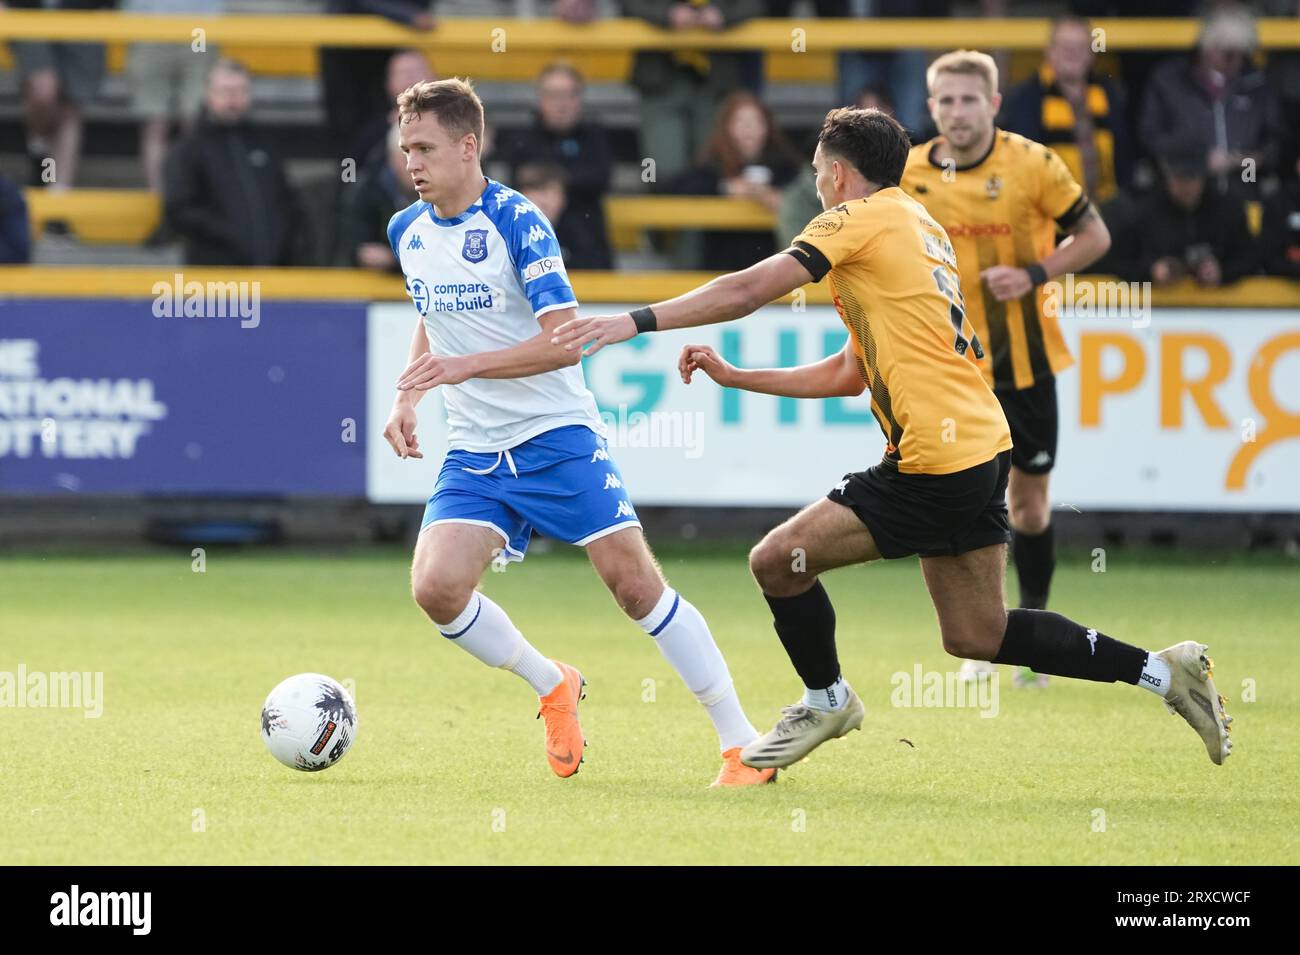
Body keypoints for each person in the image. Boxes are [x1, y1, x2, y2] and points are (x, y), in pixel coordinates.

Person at [550, 106, 1234, 771]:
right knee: (977, 632)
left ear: (841, 175)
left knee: (776, 560)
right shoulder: (916, 224)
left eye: (820, 171)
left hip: (935, 460)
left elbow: (750, 288)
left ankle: (827, 699)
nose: (817, 185)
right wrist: (738, 375)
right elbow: (851, 372)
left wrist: (635, 321)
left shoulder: (854, 219)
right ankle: (1162, 671)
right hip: (979, 447)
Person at [383, 78, 773, 787]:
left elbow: (566, 341)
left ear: (468, 147)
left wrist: (462, 365)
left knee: (633, 586)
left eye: (424, 148)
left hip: (554, 433)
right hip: (475, 447)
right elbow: (429, 313)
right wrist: (409, 392)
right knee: (436, 587)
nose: (411, 162)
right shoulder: (405, 229)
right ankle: (551, 682)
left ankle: (740, 741)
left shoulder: (517, 220)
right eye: (404, 148)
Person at [901, 50, 1112, 687]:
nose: (957, 111)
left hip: (1026, 363)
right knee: (960, 501)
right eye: (945, 100)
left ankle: (1035, 634)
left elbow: (1095, 236)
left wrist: (1034, 274)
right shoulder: (908, 172)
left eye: (969, 100)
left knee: (1030, 506)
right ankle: (986, 638)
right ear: (931, 106)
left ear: (993, 105)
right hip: (949, 369)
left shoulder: (1033, 163)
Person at [163, 59, 300, 266]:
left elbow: (284, 200)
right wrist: (230, 232)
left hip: (273, 273)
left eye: (240, 91)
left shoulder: (265, 143)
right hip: (216, 278)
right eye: (225, 91)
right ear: (208, 94)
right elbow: (179, 209)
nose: (233, 99)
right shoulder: (189, 148)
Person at [1000, 14, 1133, 203]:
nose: (1073, 54)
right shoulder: (1026, 97)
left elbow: (1124, 152)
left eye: (1080, 47)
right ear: (1050, 51)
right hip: (1052, 211)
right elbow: (1024, 166)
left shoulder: (1108, 92)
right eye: (1065, 47)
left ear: (1091, 53)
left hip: (1108, 207)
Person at [493, 63, 614, 270]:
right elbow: (517, 186)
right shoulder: (521, 140)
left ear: (580, 99)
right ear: (540, 99)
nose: (562, 104)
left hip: (588, 243)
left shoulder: (595, 137)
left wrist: (553, 178)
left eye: (569, 95)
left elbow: (601, 178)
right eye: (553, 95)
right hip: (530, 242)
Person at [671, 90, 802, 272]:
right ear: (727, 127)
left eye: (755, 122)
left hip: (771, 266)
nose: (748, 129)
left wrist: (782, 198)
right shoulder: (712, 165)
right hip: (720, 264)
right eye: (740, 122)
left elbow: (809, 194)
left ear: (767, 126)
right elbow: (676, 188)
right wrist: (725, 188)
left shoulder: (785, 164)